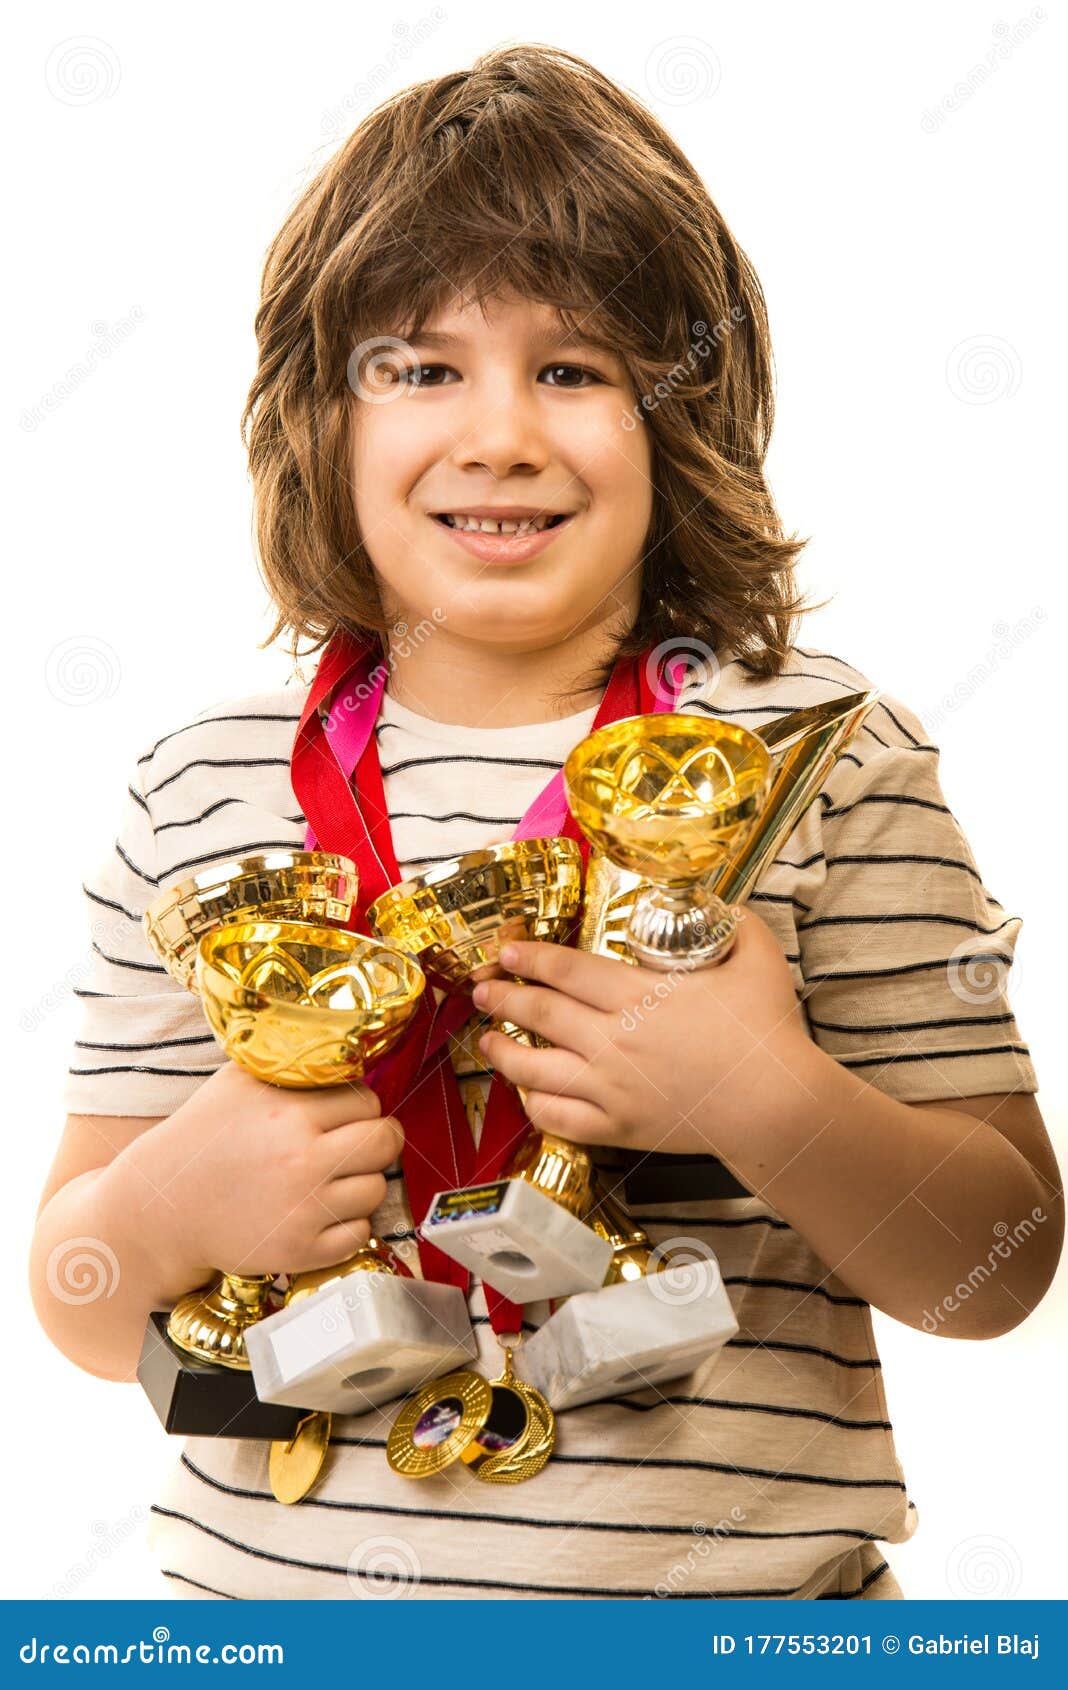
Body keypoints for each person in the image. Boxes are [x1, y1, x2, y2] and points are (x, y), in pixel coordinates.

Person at [29, 43, 1060, 1601]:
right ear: (321, 421)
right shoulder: (204, 790)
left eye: (574, 369)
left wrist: (760, 1092)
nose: (500, 431)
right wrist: (171, 1200)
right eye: (421, 368)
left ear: (681, 414)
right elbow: (80, 1295)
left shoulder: (823, 755)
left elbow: (998, 1265)